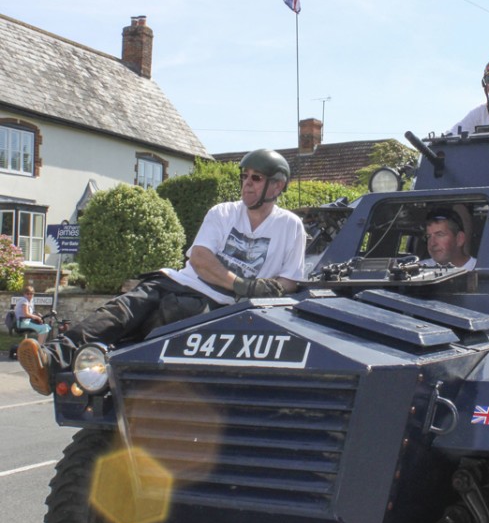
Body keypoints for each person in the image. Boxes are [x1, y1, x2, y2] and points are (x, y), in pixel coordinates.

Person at [18, 148, 306, 396]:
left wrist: (268, 289)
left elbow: (290, 280)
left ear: (277, 186)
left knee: (152, 331)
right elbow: (201, 259)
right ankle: (49, 360)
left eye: (256, 178)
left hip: (221, 307)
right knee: (119, 312)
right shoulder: (223, 212)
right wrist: (241, 284)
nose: (247, 184)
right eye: (244, 177)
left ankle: (101, 377)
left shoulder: (291, 227)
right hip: (181, 281)